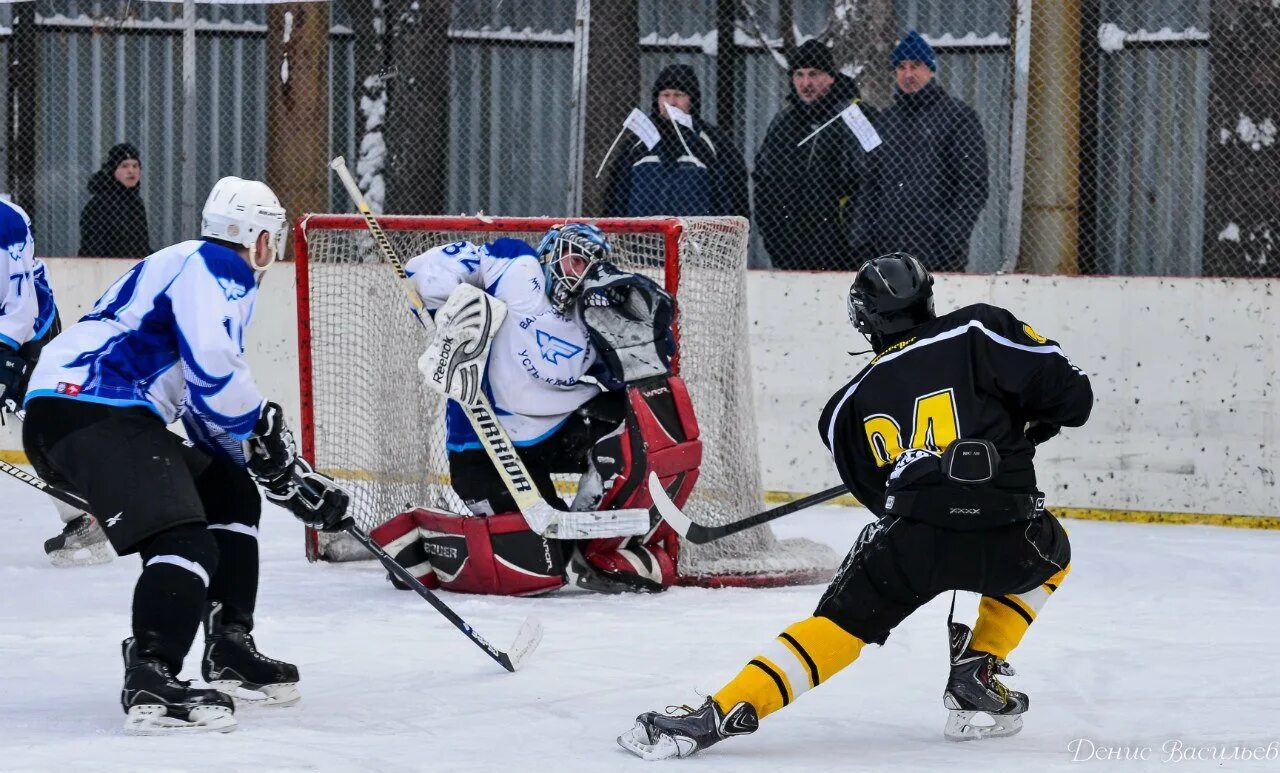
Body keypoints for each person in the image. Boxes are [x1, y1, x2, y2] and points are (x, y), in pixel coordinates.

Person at [618, 252, 1093, 759]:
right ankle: (980, 663)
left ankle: (722, 712)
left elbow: (882, 500)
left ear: (863, 320)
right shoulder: (980, 327)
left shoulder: (844, 408)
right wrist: (1028, 422)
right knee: (1053, 555)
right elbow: (1074, 398)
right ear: (927, 297)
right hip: (1011, 534)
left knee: (839, 626)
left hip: (915, 544)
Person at [23, 176, 351, 735]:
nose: (271, 248)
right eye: (270, 235)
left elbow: (204, 409)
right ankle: (151, 670)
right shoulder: (218, 266)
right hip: (88, 409)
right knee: (184, 536)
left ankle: (228, 644)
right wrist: (262, 432)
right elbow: (217, 373)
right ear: (255, 235)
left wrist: (279, 474)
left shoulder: (195, 268)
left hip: (98, 412)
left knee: (229, 490)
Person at [384, 223, 686, 594]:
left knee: (638, 422)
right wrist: (452, 306)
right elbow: (422, 270)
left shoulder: (590, 317)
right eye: (575, 260)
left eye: (589, 268)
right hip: (484, 446)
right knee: (539, 567)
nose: (579, 275)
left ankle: (591, 539)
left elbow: (629, 381)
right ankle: (425, 539)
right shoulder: (516, 265)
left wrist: (642, 347)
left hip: (555, 433)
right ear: (550, 254)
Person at [0, 197, 108, 566]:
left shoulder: (6, 223)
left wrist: (2, 356)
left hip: (29, 331)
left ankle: (85, 517)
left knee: (31, 423)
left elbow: (21, 306)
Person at [850, 32, 989, 272]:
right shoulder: (885, 122)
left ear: (931, 70)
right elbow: (870, 184)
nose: (908, 74)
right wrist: (862, 240)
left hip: (937, 254)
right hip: (887, 253)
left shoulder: (958, 118)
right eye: (901, 67)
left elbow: (973, 184)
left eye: (916, 66)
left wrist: (950, 240)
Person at [753, 39, 875, 270]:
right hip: (788, 252)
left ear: (831, 76)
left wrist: (857, 242)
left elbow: (876, 178)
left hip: (843, 255)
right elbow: (763, 180)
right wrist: (772, 237)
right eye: (799, 74)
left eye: (814, 74)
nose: (806, 83)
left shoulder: (857, 116)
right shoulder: (782, 122)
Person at [603, 64, 749, 219]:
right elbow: (616, 196)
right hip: (642, 238)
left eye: (679, 95)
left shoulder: (712, 141)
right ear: (657, 99)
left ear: (692, 99)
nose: (671, 102)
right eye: (665, 95)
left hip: (695, 239)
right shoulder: (638, 142)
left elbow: (734, 195)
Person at [79, 142, 152, 258]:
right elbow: (93, 248)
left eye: (135, 166)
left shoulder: (137, 203)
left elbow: (142, 244)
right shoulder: (99, 204)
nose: (131, 171)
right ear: (113, 170)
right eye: (124, 166)